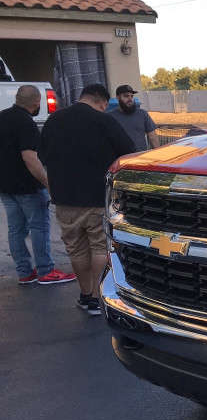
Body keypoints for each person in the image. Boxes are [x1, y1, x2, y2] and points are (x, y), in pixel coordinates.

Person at [39, 84, 134, 314]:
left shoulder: (54, 120)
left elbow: (42, 155)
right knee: (100, 247)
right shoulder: (104, 121)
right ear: (102, 101)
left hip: (64, 199)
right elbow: (128, 151)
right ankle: (97, 298)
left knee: (76, 249)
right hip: (97, 198)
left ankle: (85, 295)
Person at [0, 85, 76, 286]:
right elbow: (30, 158)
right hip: (28, 186)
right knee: (39, 227)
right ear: (36, 103)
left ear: (17, 98)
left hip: (5, 186)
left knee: (15, 230)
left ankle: (24, 273)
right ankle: (46, 271)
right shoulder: (26, 123)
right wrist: (48, 183)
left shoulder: (2, 117)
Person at [108, 84, 159, 152]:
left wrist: (158, 154)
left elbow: (152, 136)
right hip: (120, 159)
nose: (130, 99)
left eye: (132, 96)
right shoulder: (110, 117)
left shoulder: (142, 114)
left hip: (141, 157)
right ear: (117, 97)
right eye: (126, 96)